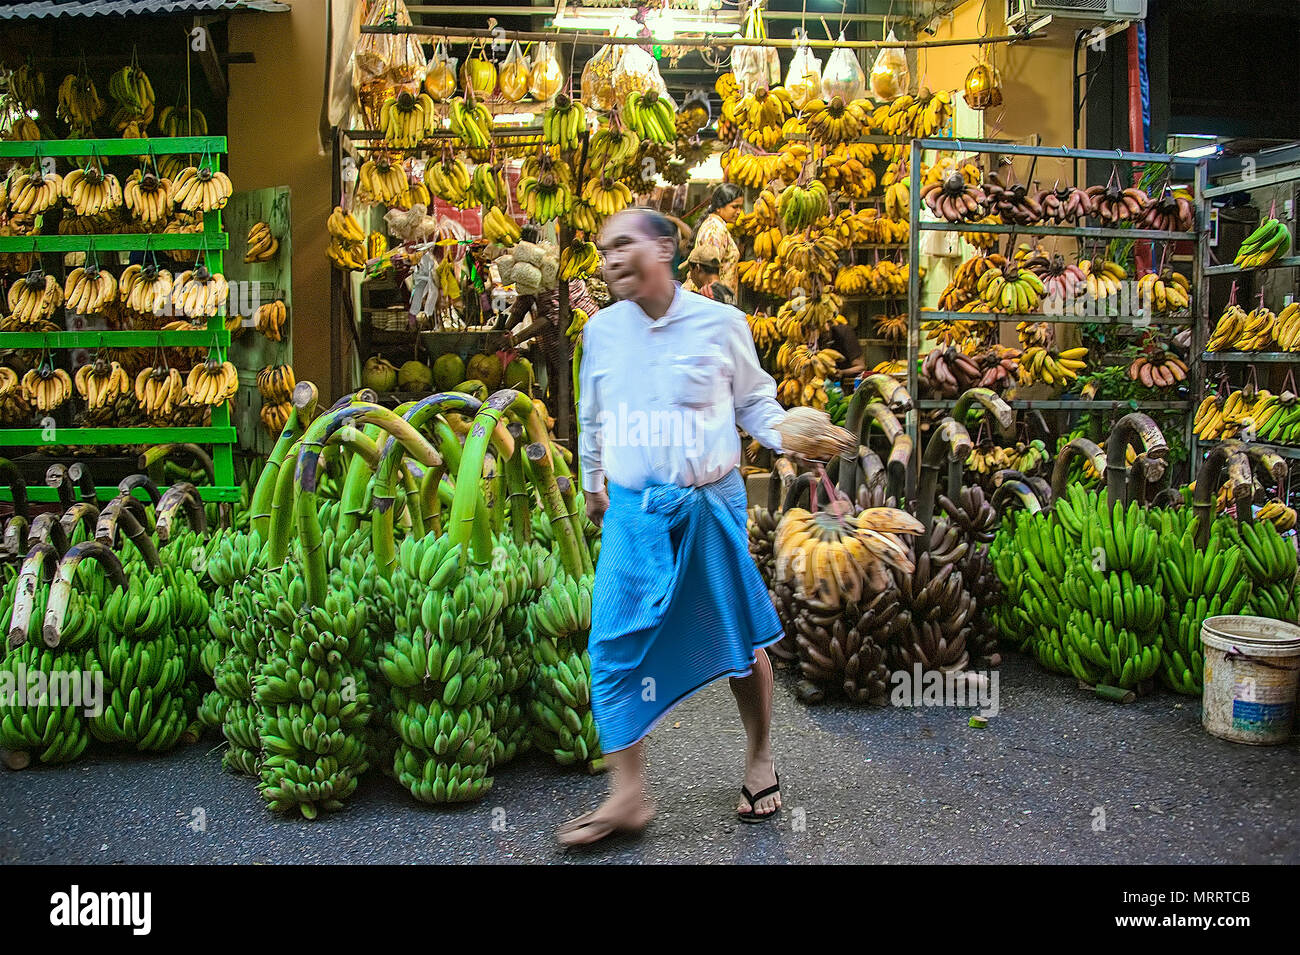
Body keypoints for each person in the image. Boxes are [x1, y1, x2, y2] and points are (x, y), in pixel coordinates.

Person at [560, 207, 787, 847]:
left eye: (623, 244)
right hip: (634, 510)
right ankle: (628, 795)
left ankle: (760, 755)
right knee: (609, 642)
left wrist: (788, 433)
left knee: (739, 642)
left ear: (665, 249)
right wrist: (592, 483)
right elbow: (592, 414)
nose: (609, 258)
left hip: (710, 502)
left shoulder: (722, 324)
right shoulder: (601, 332)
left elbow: (752, 400)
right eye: (604, 248)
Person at [689, 183, 744, 296]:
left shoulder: (716, 226)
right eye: (734, 207)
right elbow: (708, 272)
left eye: (740, 207)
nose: (739, 212)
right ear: (718, 207)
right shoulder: (714, 230)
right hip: (712, 300)